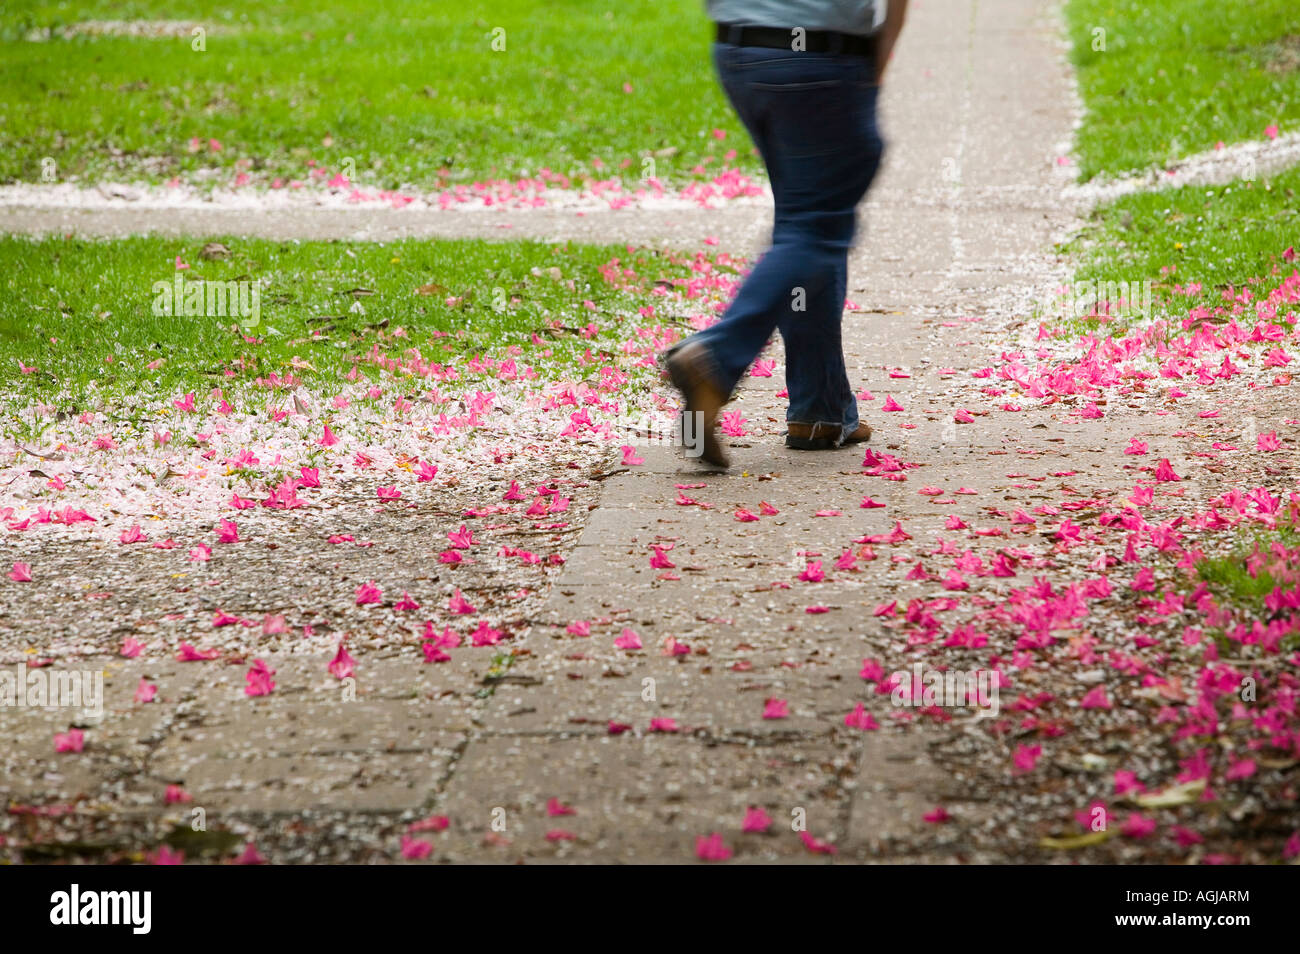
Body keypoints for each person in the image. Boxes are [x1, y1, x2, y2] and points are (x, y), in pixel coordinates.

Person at [664, 0, 909, 468]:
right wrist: (875, 62)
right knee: (818, 226)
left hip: (739, 49)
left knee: (805, 216)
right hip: (818, 57)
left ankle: (820, 411)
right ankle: (714, 358)